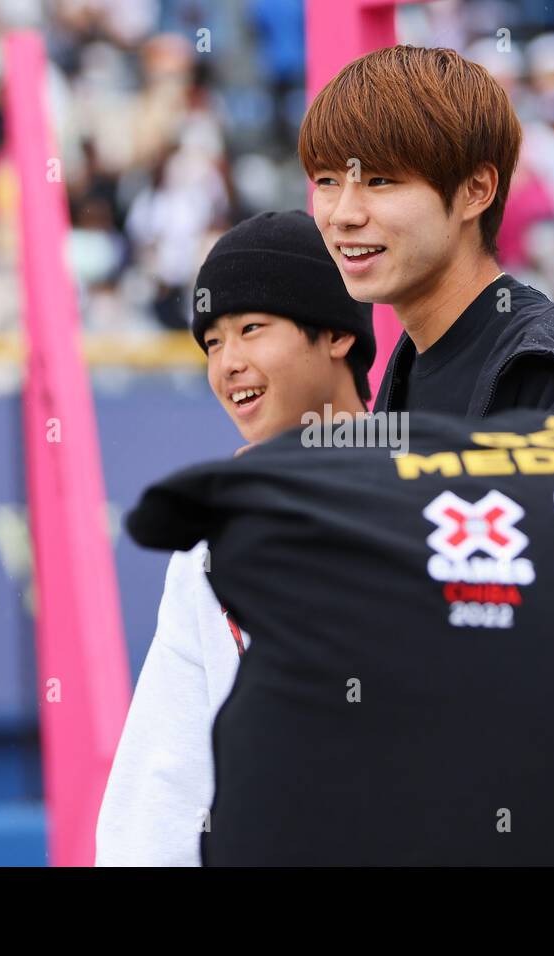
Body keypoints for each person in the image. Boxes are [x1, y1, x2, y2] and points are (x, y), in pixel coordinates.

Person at [95, 210, 375, 866]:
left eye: (251, 329)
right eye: (212, 343)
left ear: (335, 333)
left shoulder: (436, 493)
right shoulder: (212, 536)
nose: (229, 365)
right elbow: (165, 780)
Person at [299, 44, 554, 423]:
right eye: (326, 181)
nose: (343, 215)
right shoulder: (409, 364)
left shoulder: (548, 358)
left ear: (476, 190)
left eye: (380, 181)